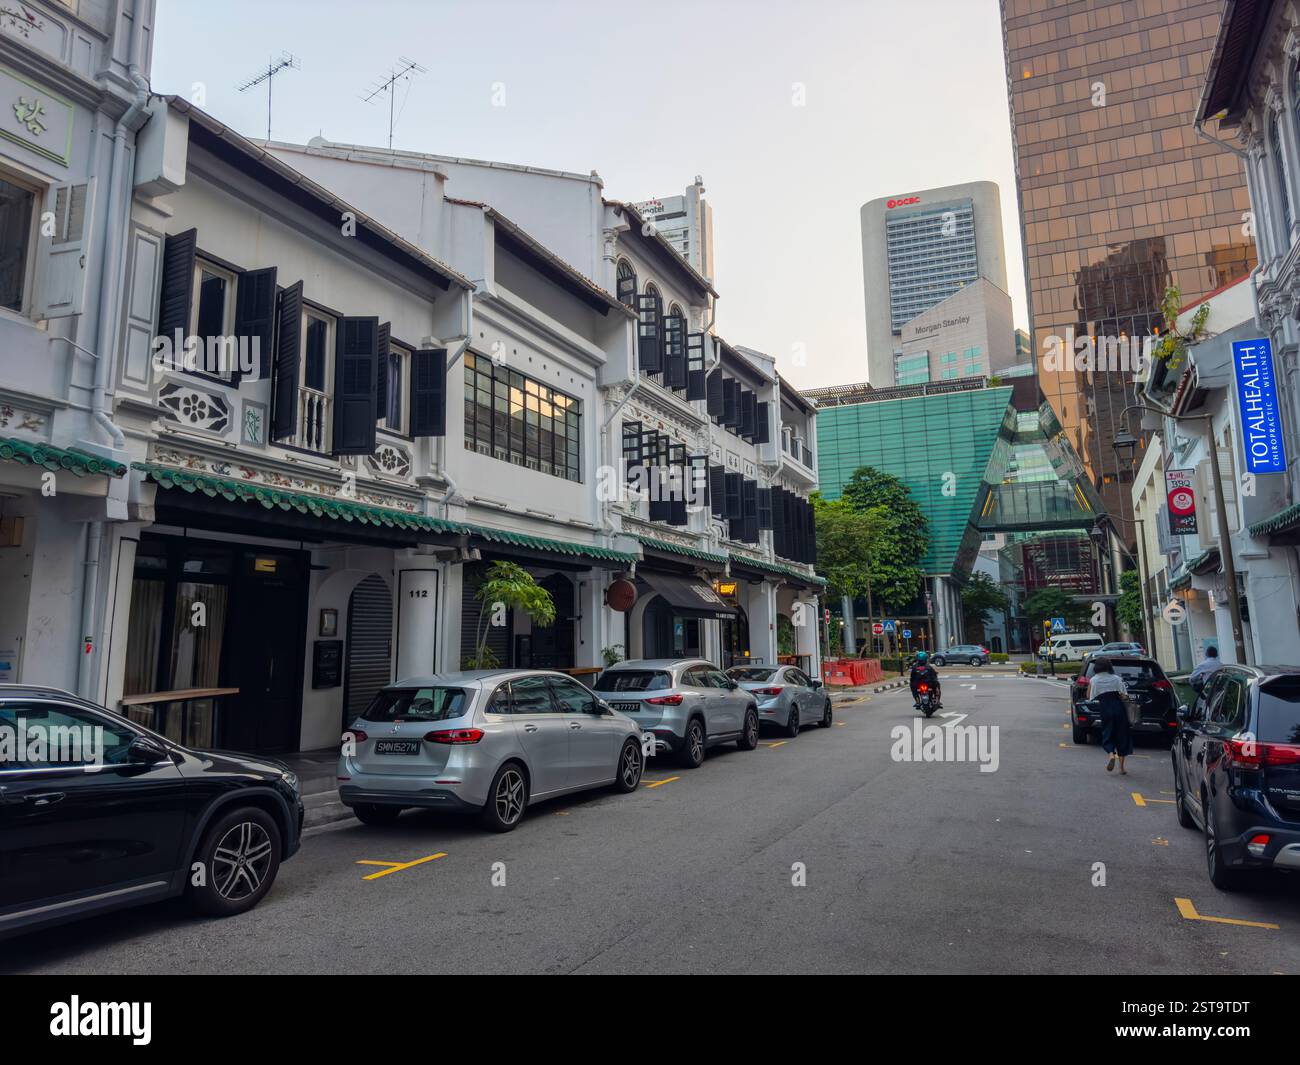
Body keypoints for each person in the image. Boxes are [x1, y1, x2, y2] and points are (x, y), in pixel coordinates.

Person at [1088, 658, 1132, 774]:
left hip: (1105, 709)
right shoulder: (1116, 679)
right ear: (1109, 667)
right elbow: (1124, 696)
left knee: (1107, 733)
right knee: (1122, 735)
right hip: (1118, 708)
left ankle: (1111, 755)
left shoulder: (1094, 680)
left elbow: (1090, 696)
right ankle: (1122, 768)